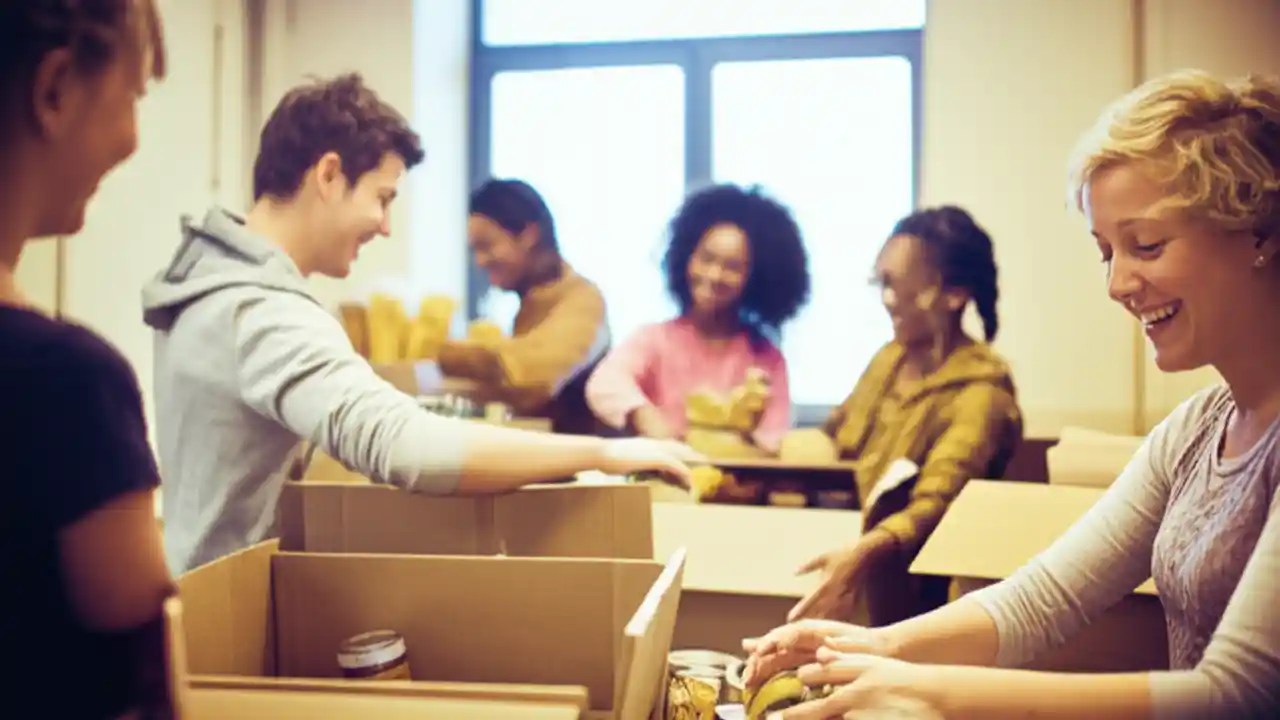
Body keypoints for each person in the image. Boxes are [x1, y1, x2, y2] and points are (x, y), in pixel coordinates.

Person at [743, 71, 1280, 719]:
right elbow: (1042, 598)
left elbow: (1239, 696)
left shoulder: (981, 390)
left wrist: (919, 687)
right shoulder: (1194, 429)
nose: (1117, 284)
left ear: (1260, 232)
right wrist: (872, 645)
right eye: (1106, 252)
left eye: (1146, 245)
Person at [142, 75, 697, 575]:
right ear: (330, 176)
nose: (385, 226)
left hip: (196, 583)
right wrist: (603, 454)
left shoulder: (208, 285)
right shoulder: (264, 310)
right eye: (382, 198)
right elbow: (410, 448)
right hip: (220, 609)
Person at [1, 1, 174, 717]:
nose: (133, 138)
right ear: (56, 88)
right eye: (133, 95)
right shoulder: (65, 386)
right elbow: (141, 698)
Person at [791, 206, 1023, 628]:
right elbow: (839, 437)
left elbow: (936, 503)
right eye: (884, 284)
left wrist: (861, 554)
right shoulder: (890, 359)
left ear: (954, 294)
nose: (888, 299)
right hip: (861, 587)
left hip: (930, 610)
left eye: (902, 287)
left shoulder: (982, 392)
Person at [585, 184, 811, 453]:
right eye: (706, 259)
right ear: (685, 258)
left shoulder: (766, 357)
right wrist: (646, 418)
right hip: (664, 478)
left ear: (756, 278)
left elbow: (773, 437)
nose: (714, 275)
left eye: (732, 267)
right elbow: (604, 384)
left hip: (737, 486)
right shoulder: (653, 339)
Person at [440, 178, 610, 434]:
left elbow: (534, 378)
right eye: (475, 250)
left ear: (529, 235)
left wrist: (447, 353)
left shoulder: (584, 301)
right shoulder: (532, 302)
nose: (480, 261)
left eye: (487, 246)